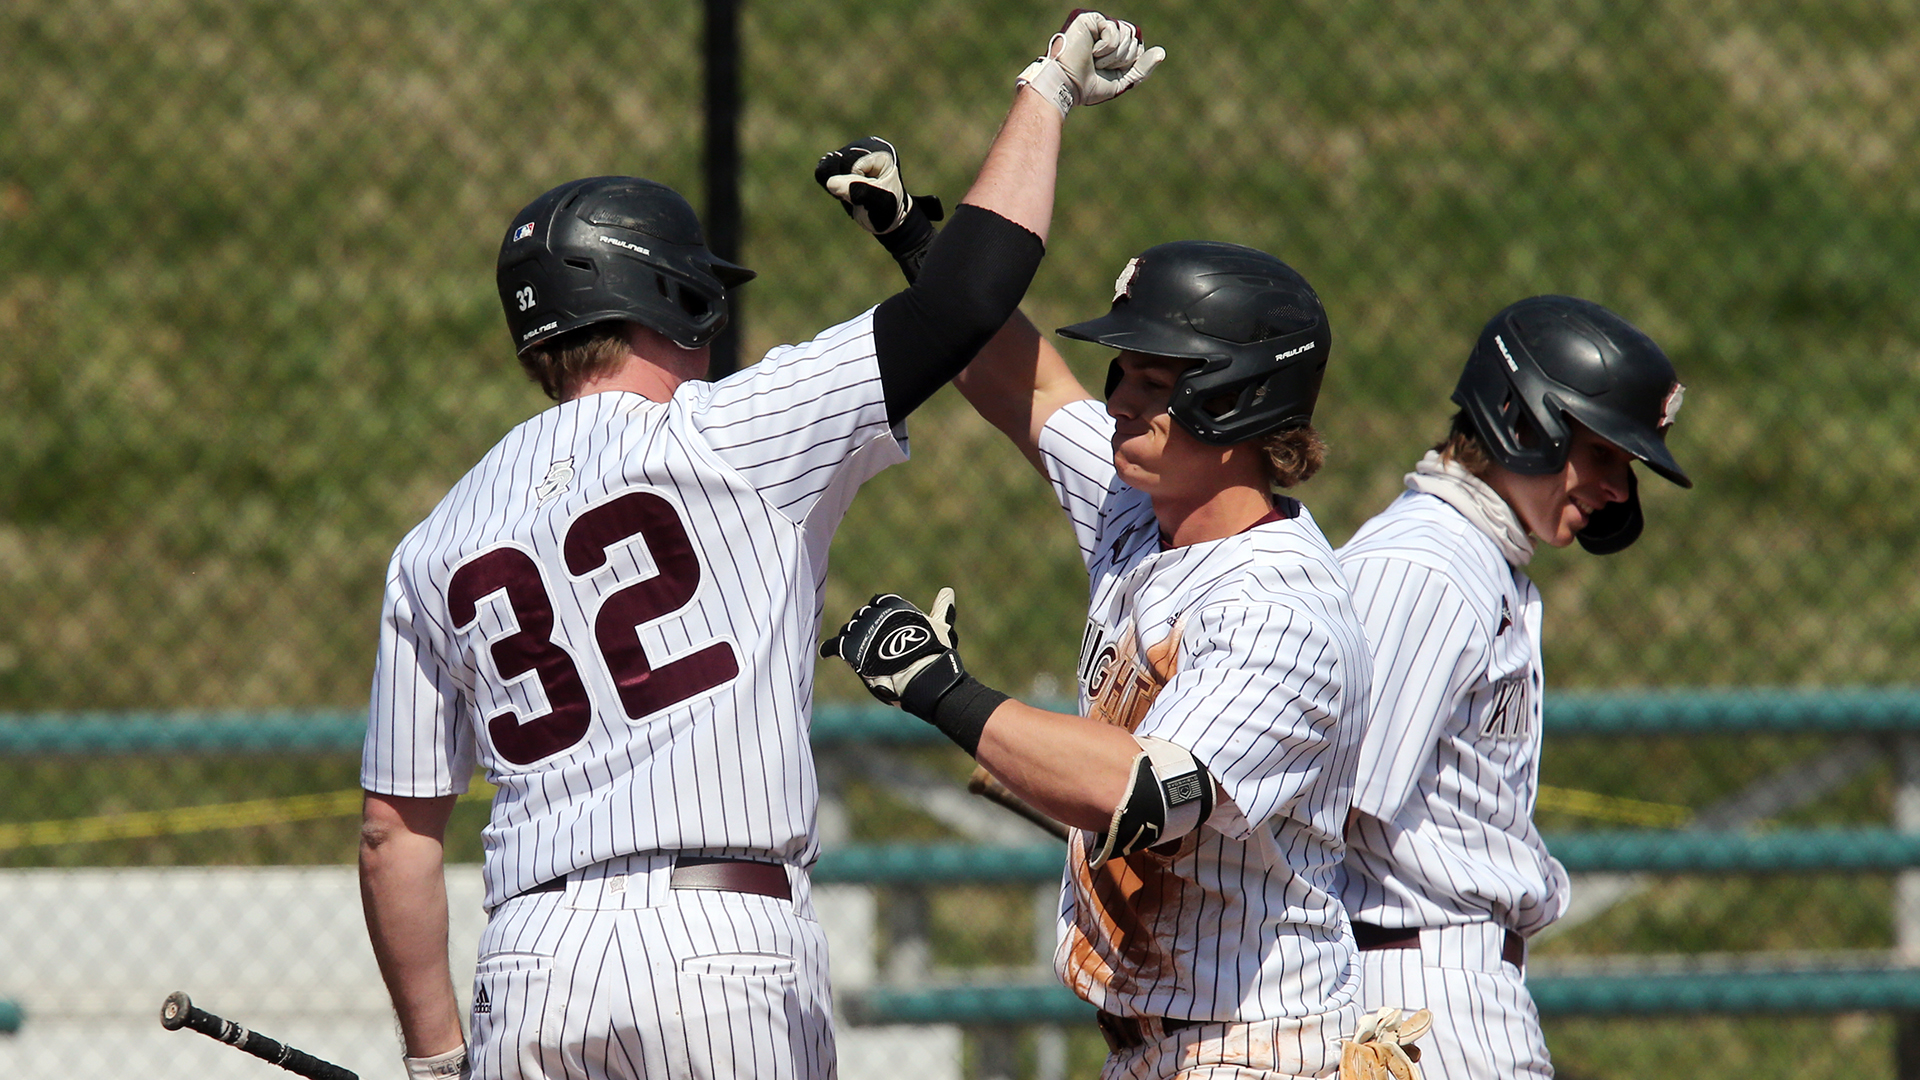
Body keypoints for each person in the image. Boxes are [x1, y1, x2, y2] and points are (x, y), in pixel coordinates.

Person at [355, 13, 1164, 1080]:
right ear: (674, 299)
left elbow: (393, 835)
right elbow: (968, 298)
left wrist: (435, 1061)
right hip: (719, 945)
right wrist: (1045, 89)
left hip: (531, 962)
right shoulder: (734, 431)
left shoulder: (433, 542)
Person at [817, 193, 1404, 1077]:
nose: (1121, 401)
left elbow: (1142, 793)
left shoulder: (1280, 607)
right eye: (1123, 373)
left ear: (1239, 403)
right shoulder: (1148, 506)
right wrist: (922, 249)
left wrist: (942, 690)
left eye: (1155, 384)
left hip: (1255, 1048)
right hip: (1170, 1046)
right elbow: (1031, 387)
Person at [1334, 295, 1692, 1079]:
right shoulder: (1427, 565)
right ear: (1521, 421)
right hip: (1413, 993)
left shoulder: (1476, 560)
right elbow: (1328, 804)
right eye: (1602, 456)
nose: (1619, 490)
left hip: (1436, 986)